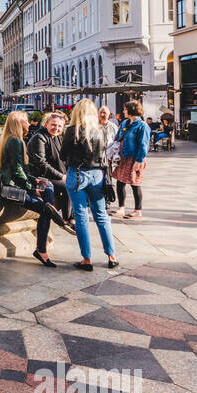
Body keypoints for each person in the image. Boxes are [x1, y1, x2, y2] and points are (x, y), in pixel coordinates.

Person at [0, 110, 67, 268]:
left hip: (13, 184)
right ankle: (52, 233)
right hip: (8, 189)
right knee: (45, 208)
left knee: (47, 186)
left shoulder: (14, 139)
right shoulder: (14, 141)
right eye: (26, 121)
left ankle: (46, 238)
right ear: (18, 123)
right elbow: (17, 171)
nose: (29, 124)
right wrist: (31, 188)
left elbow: (22, 170)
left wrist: (35, 181)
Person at [61, 98, 118, 270]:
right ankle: (111, 256)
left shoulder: (72, 130)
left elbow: (63, 155)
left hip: (77, 174)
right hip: (98, 175)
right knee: (101, 215)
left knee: (81, 216)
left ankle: (87, 259)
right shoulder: (100, 130)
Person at [27, 111, 73, 225]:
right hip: (38, 177)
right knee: (67, 185)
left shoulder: (55, 137)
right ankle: (66, 219)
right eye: (53, 124)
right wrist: (61, 176)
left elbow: (63, 158)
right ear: (46, 124)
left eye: (59, 126)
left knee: (73, 183)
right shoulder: (39, 137)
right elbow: (41, 164)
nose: (56, 128)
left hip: (49, 176)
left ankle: (70, 216)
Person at [114, 99, 150, 219]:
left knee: (135, 183)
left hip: (134, 158)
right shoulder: (125, 123)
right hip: (123, 157)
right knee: (120, 182)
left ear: (131, 110)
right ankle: (121, 208)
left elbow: (143, 144)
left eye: (125, 109)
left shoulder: (142, 126)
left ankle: (137, 210)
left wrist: (139, 161)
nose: (123, 111)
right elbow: (117, 137)